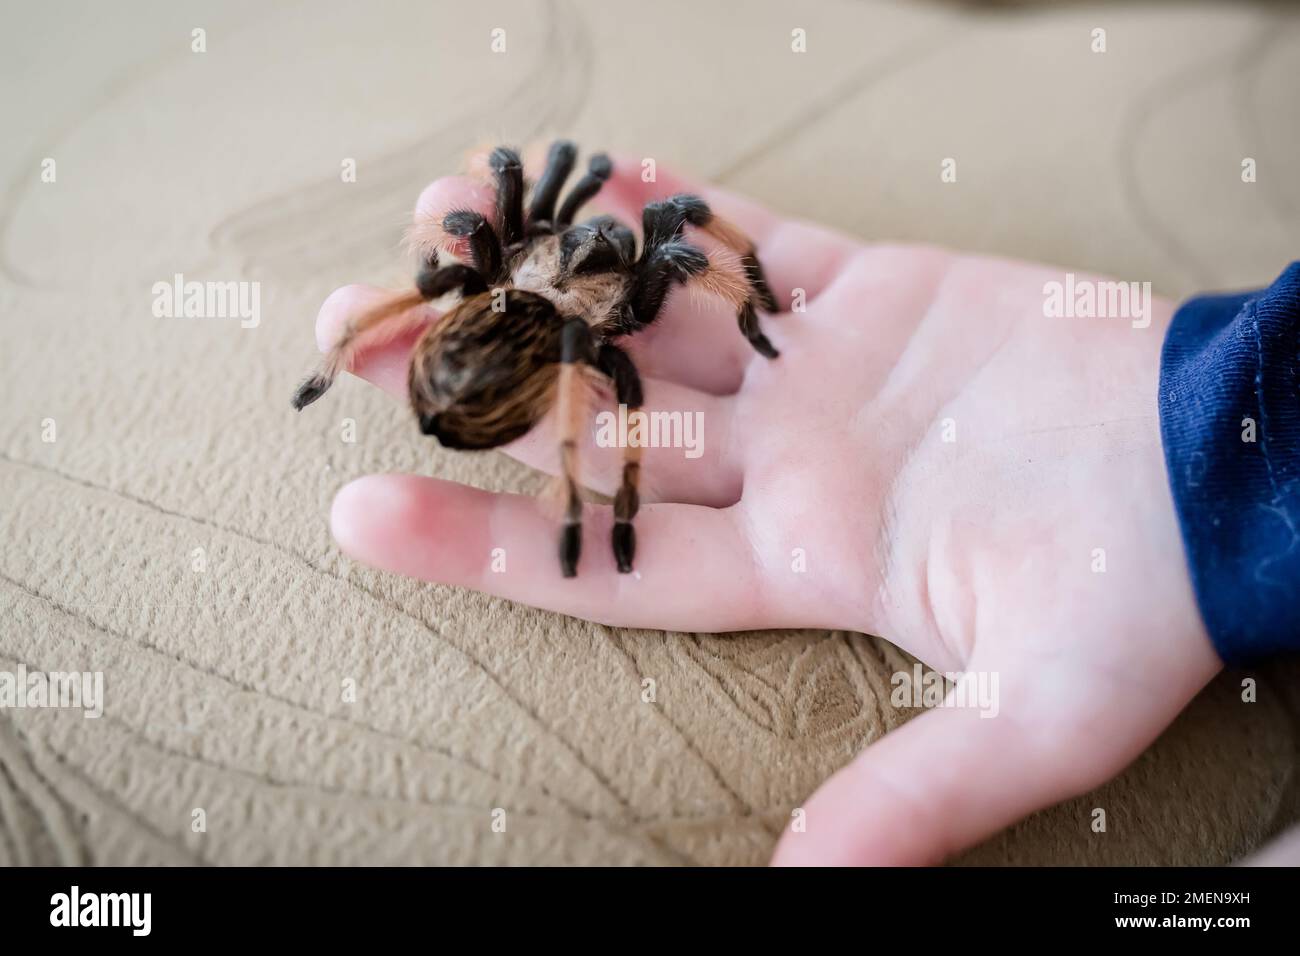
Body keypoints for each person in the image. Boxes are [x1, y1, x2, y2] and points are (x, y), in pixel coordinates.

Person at [312, 154, 1297, 866]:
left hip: (495, 335)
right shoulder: (608, 316)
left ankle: (348, 356)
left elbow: (551, 214)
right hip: (522, 345)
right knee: (632, 225)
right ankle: (416, 389)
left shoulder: (505, 278)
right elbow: (661, 248)